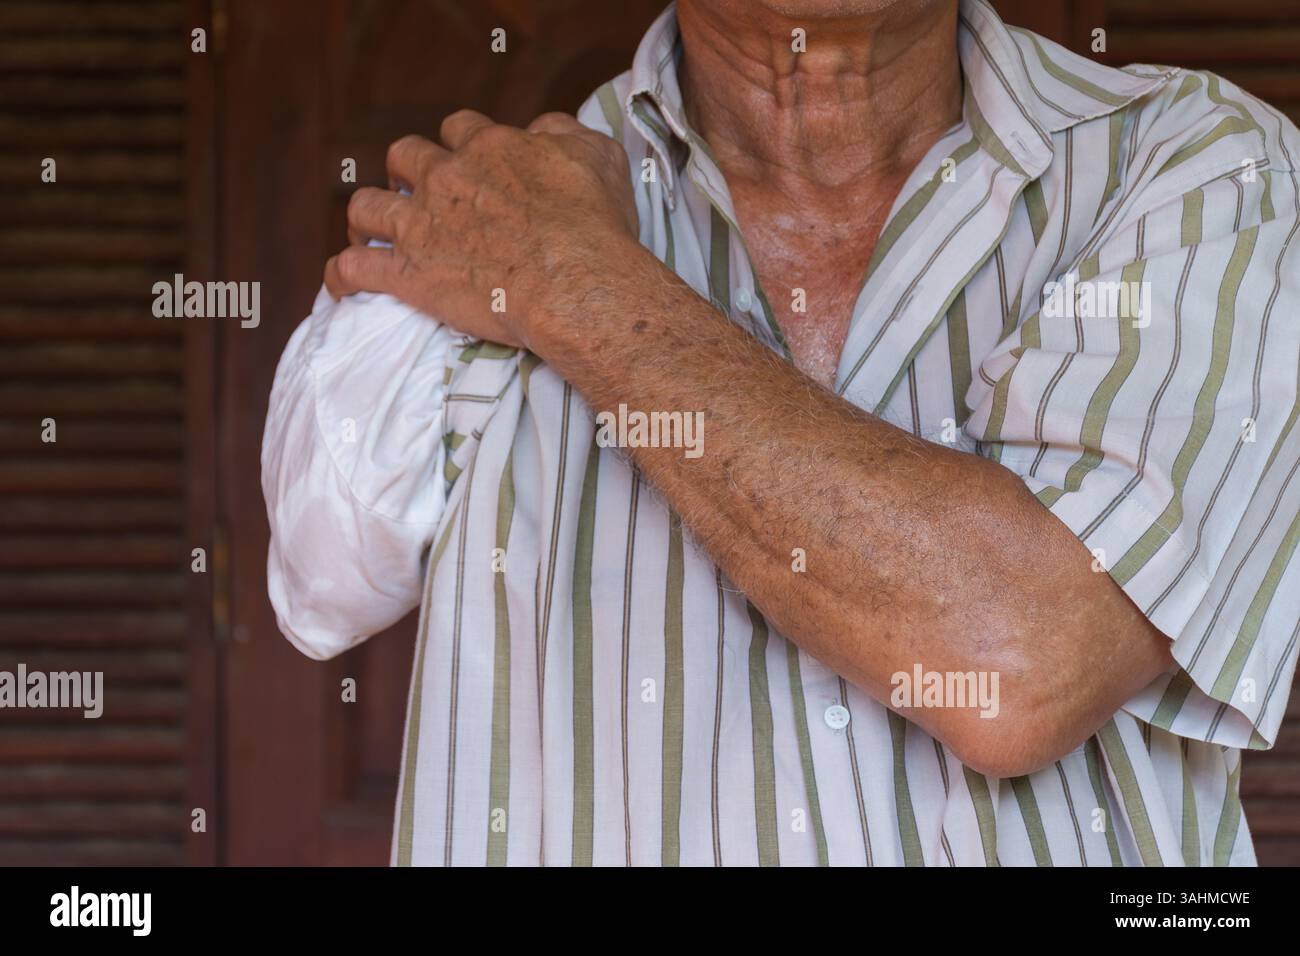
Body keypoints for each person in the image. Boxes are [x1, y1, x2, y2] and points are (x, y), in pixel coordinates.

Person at [261, 0, 1300, 865]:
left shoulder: (1202, 172)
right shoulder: (476, 216)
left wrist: (571, 282)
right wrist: (535, 251)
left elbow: (1021, 661)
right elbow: (317, 577)